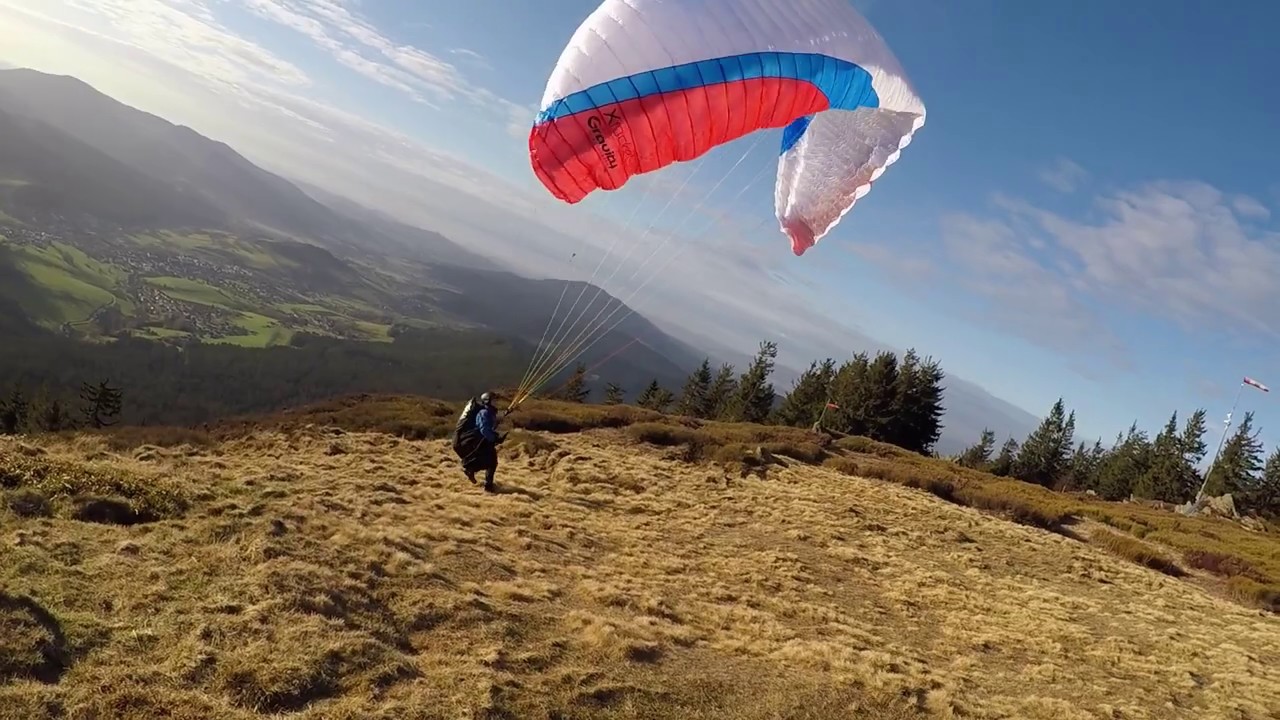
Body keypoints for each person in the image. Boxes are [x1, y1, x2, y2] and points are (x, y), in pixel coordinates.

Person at [452, 391, 504, 492]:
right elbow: (484, 429)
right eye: (494, 401)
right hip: (467, 442)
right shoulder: (484, 413)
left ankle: (471, 470)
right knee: (491, 460)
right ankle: (488, 486)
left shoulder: (488, 412)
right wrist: (495, 438)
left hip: (470, 441)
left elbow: (490, 423)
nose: (496, 403)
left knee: (488, 458)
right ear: (488, 401)